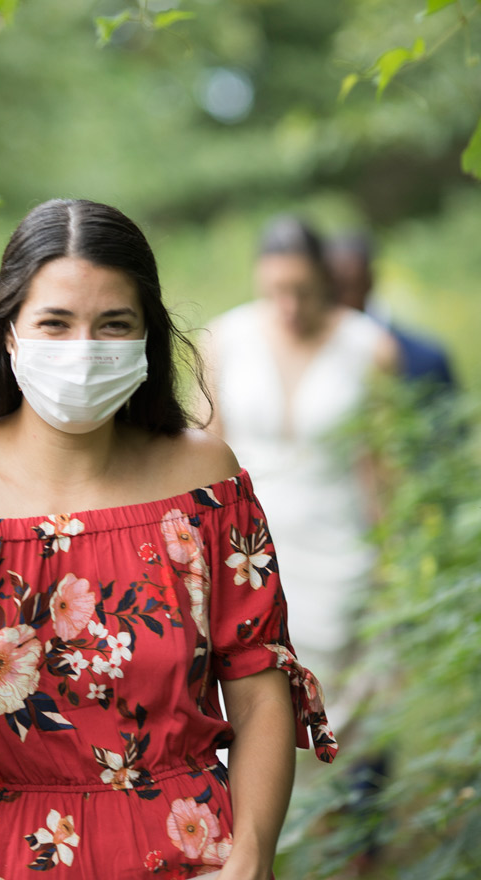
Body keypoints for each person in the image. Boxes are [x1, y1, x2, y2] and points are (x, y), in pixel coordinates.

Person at [0, 198, 336, 880]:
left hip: (193, 854)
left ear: (147, 337)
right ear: (9, 330)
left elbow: (258, 688)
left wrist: (250, 858)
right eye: (55, 323)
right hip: (2, 859)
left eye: (113, 325)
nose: (83, 351)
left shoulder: (203, 483)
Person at [196, 215, 399, 732]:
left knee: (334, 709)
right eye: (275, 291)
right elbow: (205, 451)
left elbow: (381, 467)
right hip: (249, 548)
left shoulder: (369, 346)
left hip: (341, 550)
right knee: (253, 704)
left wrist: (392, 564)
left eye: (302, 291)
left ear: (326, 282)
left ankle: (330, 811)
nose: (289, 306)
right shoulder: (224, 338)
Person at [325, 229, 456, 392]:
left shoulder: (427, 361)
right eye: (335, 289)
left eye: (349, 287)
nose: (343, 298)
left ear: (370, 279)